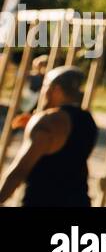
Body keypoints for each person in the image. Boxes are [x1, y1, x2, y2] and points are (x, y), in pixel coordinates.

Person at [0, 66, 99, 206]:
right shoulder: (88, 120)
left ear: (56, 90)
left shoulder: (47, 121)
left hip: (42, 201)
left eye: (45, 85)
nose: (42, 91)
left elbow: (20, 170)